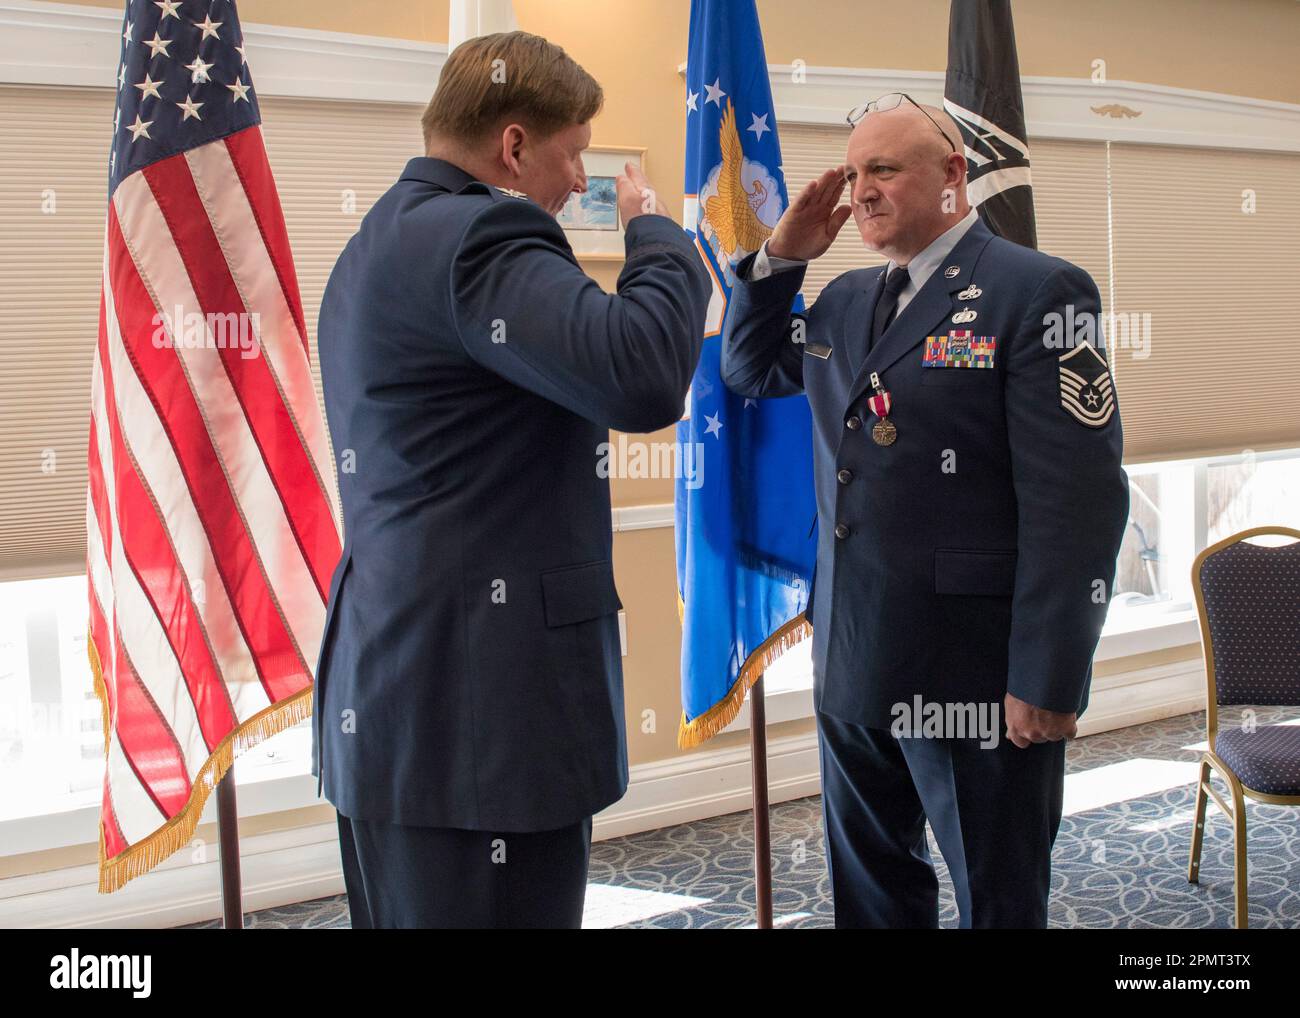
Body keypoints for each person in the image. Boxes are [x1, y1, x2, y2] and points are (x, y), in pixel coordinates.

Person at [312, 31, 710, 928]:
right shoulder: (482, 233)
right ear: (515, 146)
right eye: (574, 158)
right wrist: (657, 237)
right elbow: (640, 372)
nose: (581, 183)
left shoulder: (374, 242)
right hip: (482, 721)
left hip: (399, 706)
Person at [721, 93, 1128, 928]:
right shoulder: (841, 301)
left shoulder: (1039, 289)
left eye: (884, 169)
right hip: (852, 656)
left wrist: (1047, 677)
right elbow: (749, 370)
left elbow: (1077, 503)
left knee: (996, 897)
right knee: (872, 894)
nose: (862, 190)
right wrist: (779, 259)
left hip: (974, 677)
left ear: (952, 175)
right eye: (853, 172)